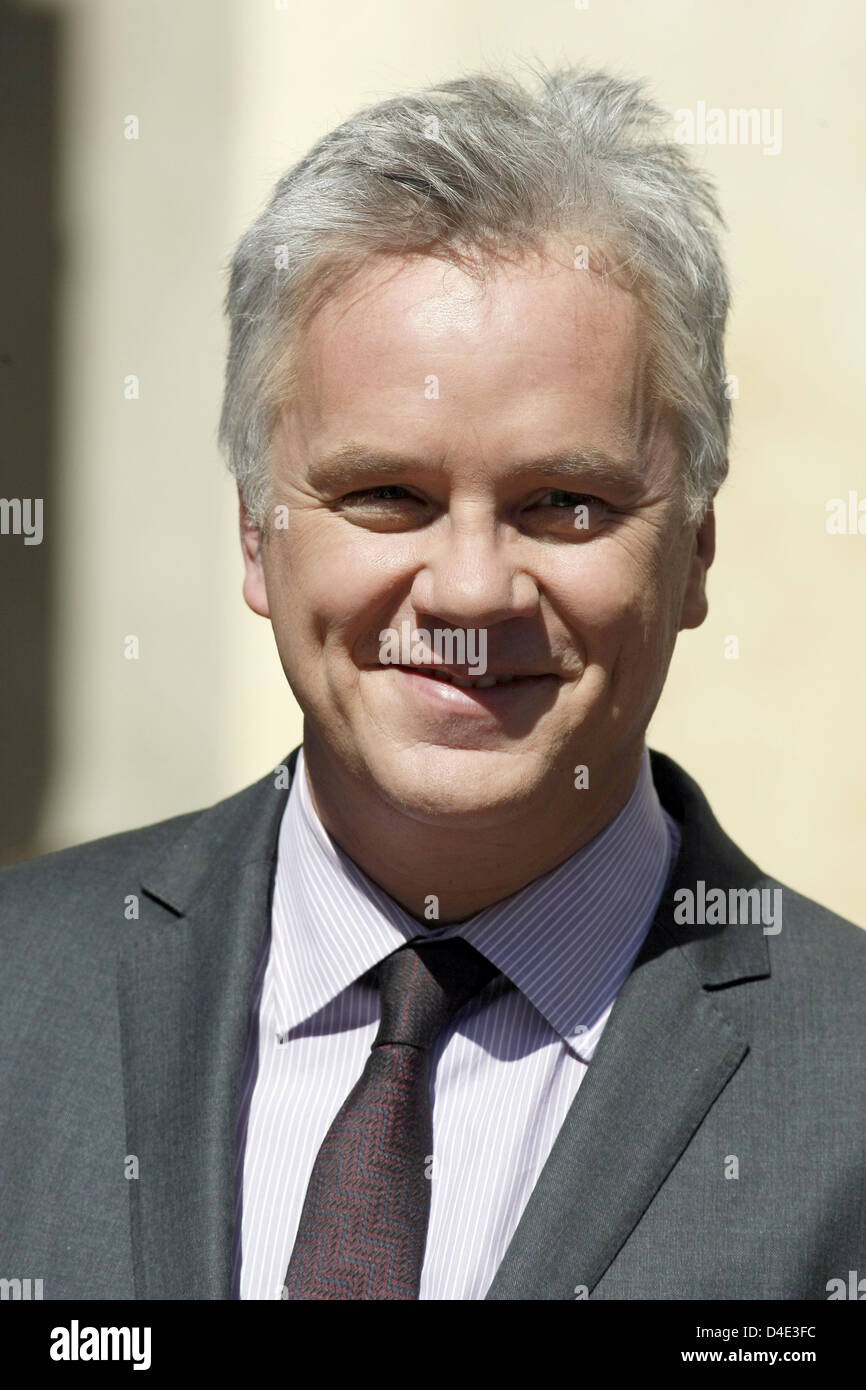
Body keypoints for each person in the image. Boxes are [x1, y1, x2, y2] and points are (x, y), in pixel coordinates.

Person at [1, 64, 864, 1302]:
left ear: (695, 553)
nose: (469, 591)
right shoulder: (16, 997)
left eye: (563, 503)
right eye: (385, 495)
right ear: (256, 533)